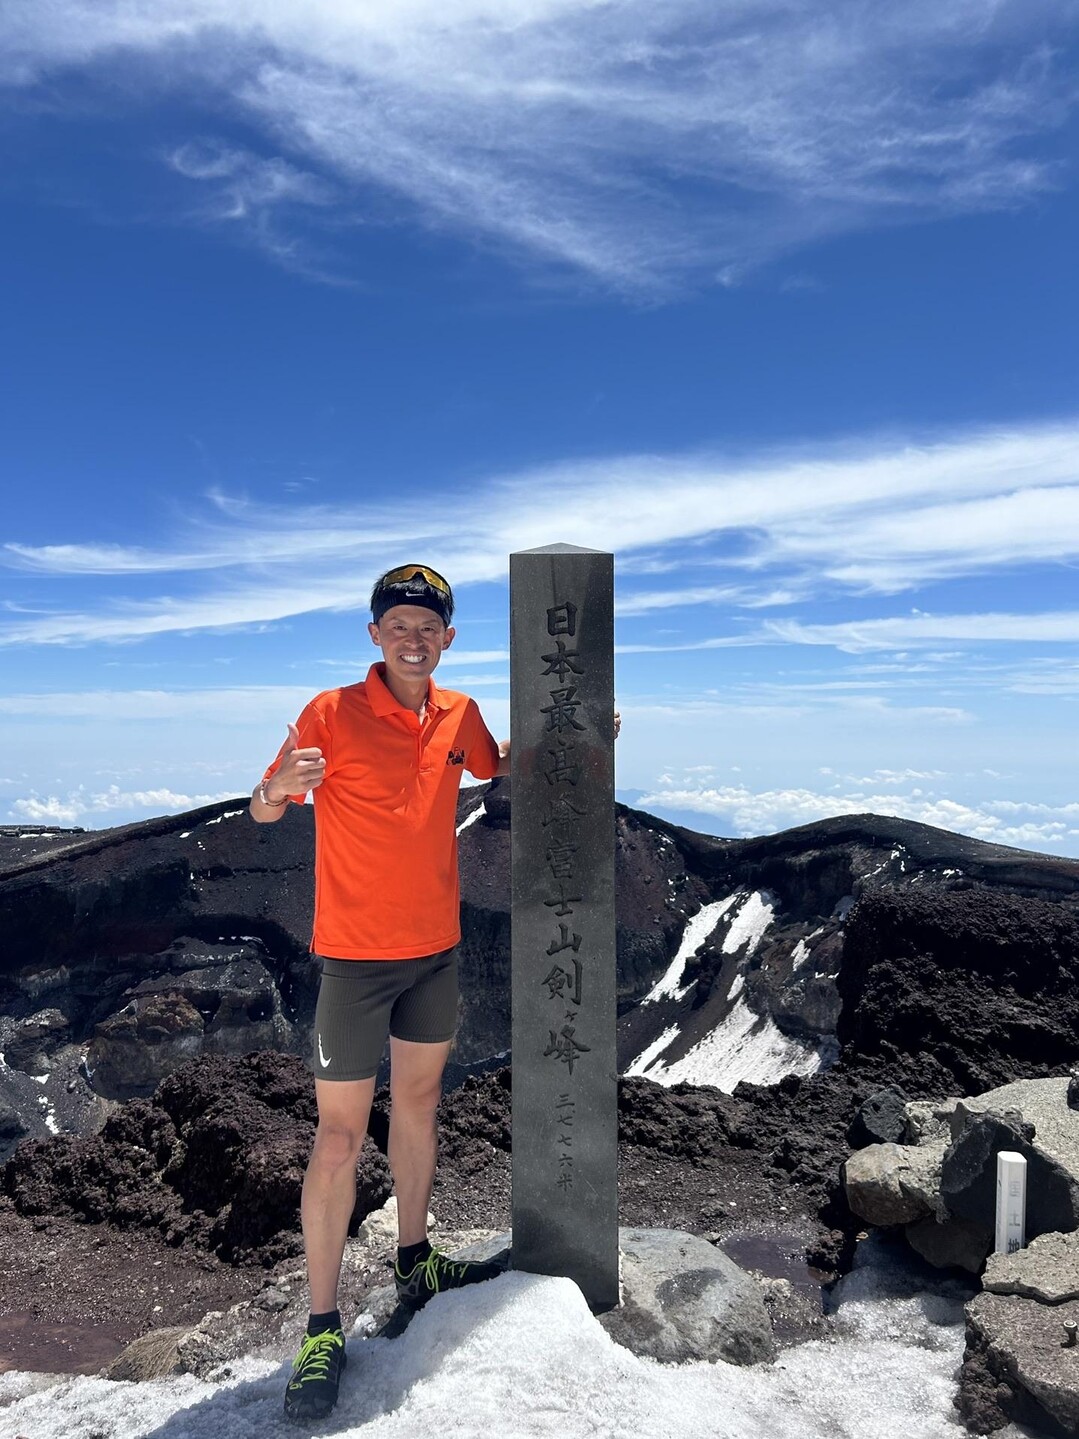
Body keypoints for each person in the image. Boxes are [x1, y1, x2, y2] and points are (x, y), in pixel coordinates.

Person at [250, 563, 509, 1425]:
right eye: (397, 623)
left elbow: (496, 768)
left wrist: (591, 737)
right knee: (337, 1136)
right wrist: (279, 786)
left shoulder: (459, 713)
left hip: (434, 951)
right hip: (355, 961)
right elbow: (264, 807)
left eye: (427, 625)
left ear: (448, 638)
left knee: (423, 1106)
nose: (412, 637)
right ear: (373, 634)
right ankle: (322, 1325)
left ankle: (414, 1258)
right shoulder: (329, 711)